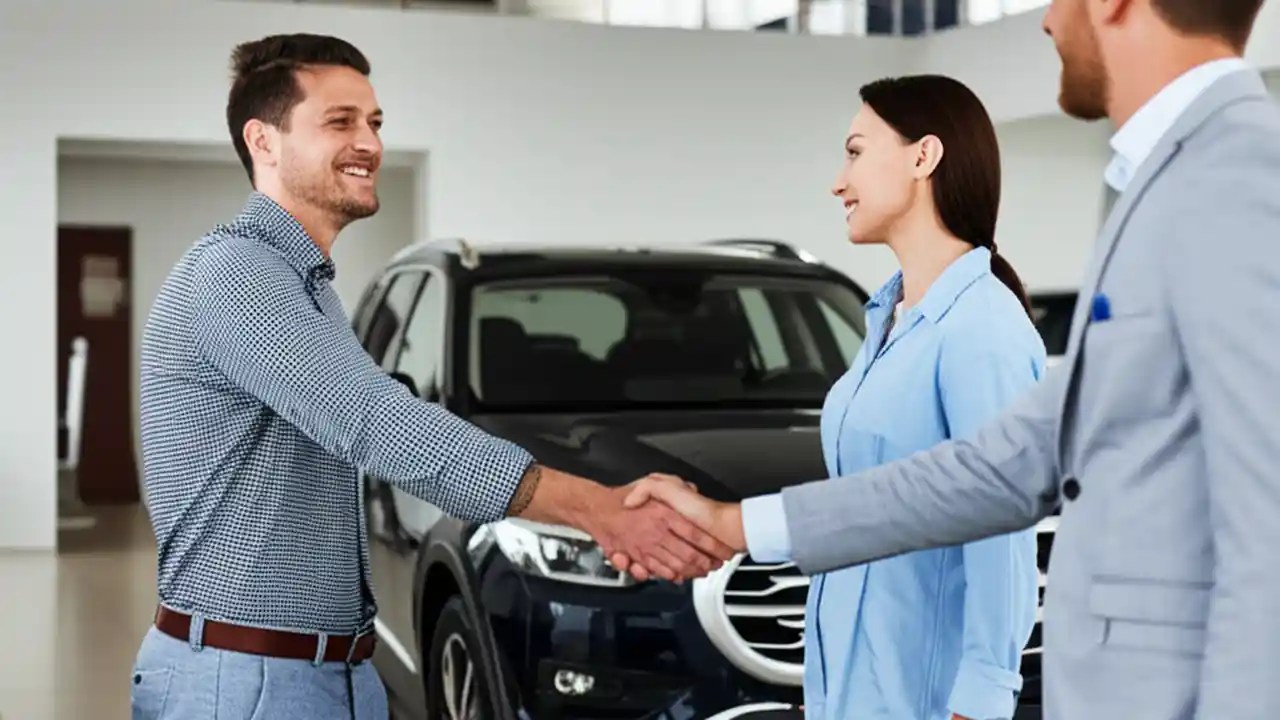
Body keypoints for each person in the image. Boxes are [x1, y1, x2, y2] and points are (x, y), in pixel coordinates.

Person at [619, 0, 1280, 718]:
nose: (1047, 20)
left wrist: (981, 692)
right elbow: (1002, 468)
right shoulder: (1158, 179)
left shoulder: (1237, 174)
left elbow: (1267, 529)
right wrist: (731, 524)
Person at [130, 34, 732, 720]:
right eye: (340, 122)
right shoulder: (236, 276)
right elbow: (377, 424)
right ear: (263, 142)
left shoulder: (308, 288)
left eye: (375, 122)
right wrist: (599, 511)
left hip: (321, 673)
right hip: (246, 684)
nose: (370, 143)